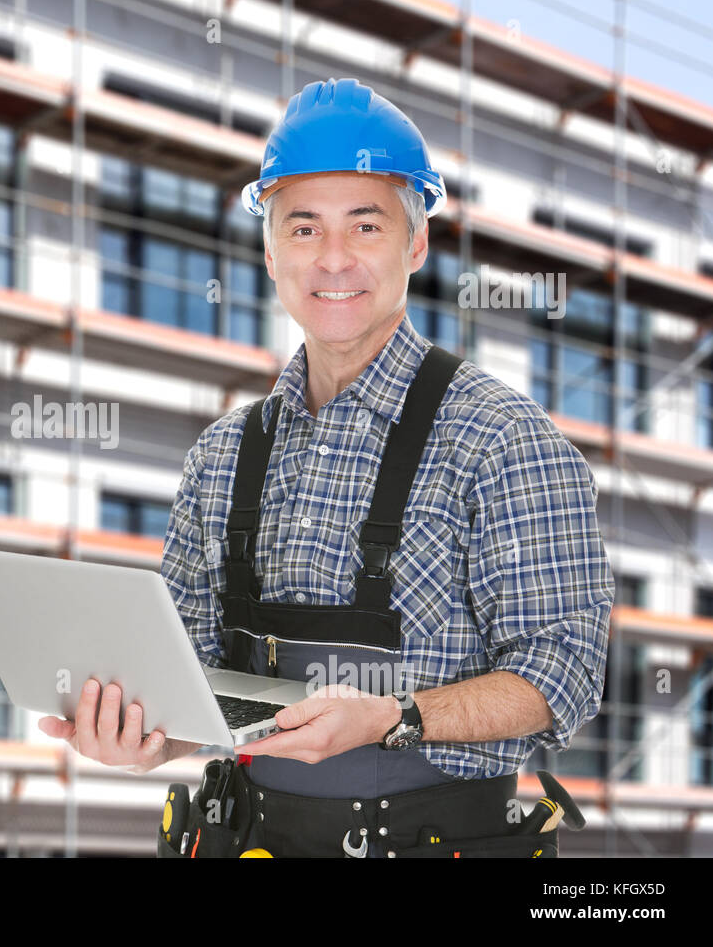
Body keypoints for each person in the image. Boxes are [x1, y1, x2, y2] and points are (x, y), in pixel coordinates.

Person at [37, 78, 614, 857]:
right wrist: (149, 740)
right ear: (270, 250)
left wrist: (395, 716)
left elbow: (565, 672)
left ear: (415, 243)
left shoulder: (502, 440)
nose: (333, 260)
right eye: (303, 229)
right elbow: (193, 680)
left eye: (364, 225)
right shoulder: (222, 457)